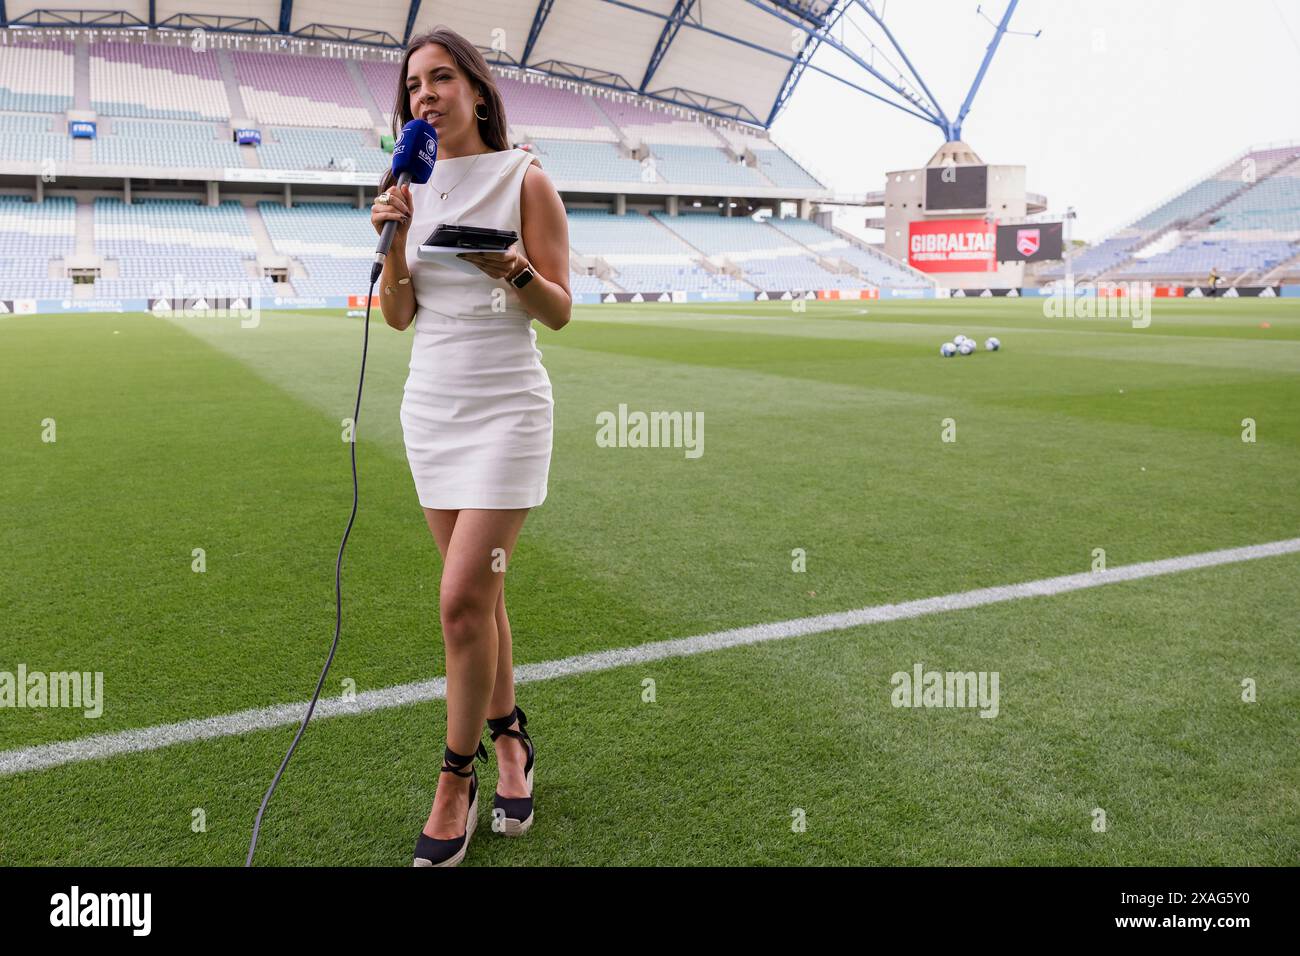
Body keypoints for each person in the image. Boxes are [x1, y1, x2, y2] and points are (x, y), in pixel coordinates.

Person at [369, 27, 571, 867]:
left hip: (506, 411)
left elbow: (558, 309)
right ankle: (513, 738)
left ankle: (457, 778)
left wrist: (508, 269)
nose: (425, 96)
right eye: (414, 85)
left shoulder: (525, 177)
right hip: (433, 410)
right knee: (479, 600)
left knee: (458, 603)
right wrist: (391, 237)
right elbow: (399, 315)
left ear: (478, 92)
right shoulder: (409, 184)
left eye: (441, 78)